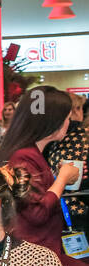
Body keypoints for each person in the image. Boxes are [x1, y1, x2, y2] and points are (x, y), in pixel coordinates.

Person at [0, 86, 89, 266]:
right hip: (36, 256)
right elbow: (37, 213)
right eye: (66, 116)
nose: (69, 121)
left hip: (39, 252)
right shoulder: (24, 157)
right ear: (51, 121)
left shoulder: (28, 153)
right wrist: (62, 178)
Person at [44, 91, 89, 226]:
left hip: (54, 208)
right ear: (74, 110)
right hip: (80, 209)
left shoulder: (50, 138)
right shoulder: (83, 135)